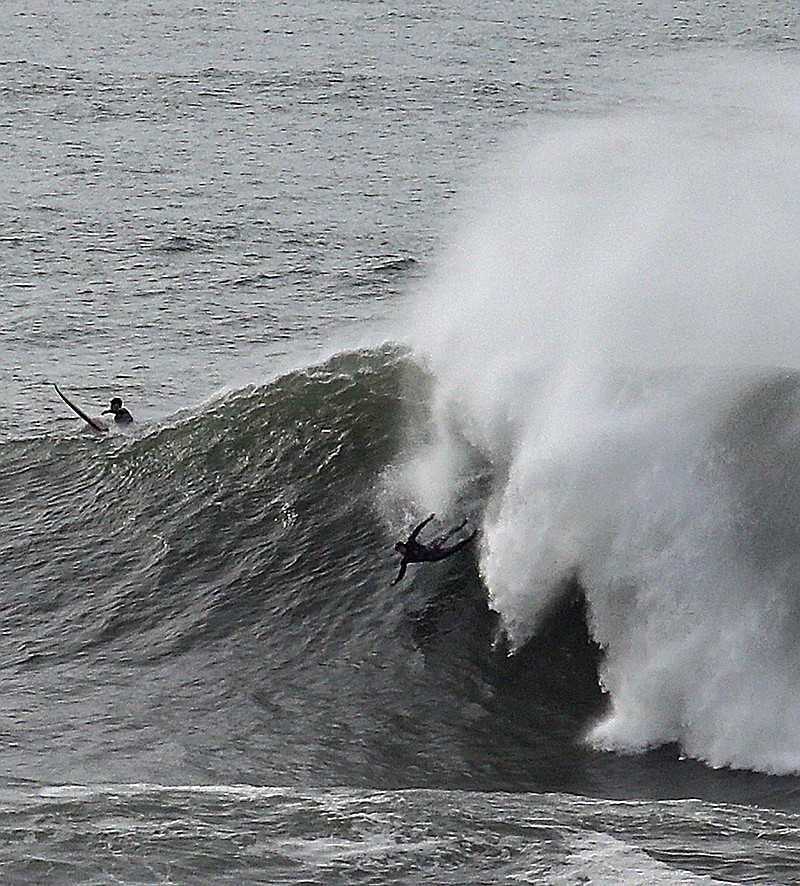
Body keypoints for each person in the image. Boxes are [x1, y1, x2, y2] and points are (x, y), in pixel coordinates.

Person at [391, 513, 477, 585]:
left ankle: (462, 525)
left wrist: (428, 519)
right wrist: (396, 581)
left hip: (431, 547)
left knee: (447, 535)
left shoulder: (410, 542)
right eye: (399, 551)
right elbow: (401, 573)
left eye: (400, 549)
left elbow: (417, 529)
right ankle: (472, 536)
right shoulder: (406, 560)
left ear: (403, 546)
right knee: (454, 548)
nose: (401, 551)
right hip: (434, 556)